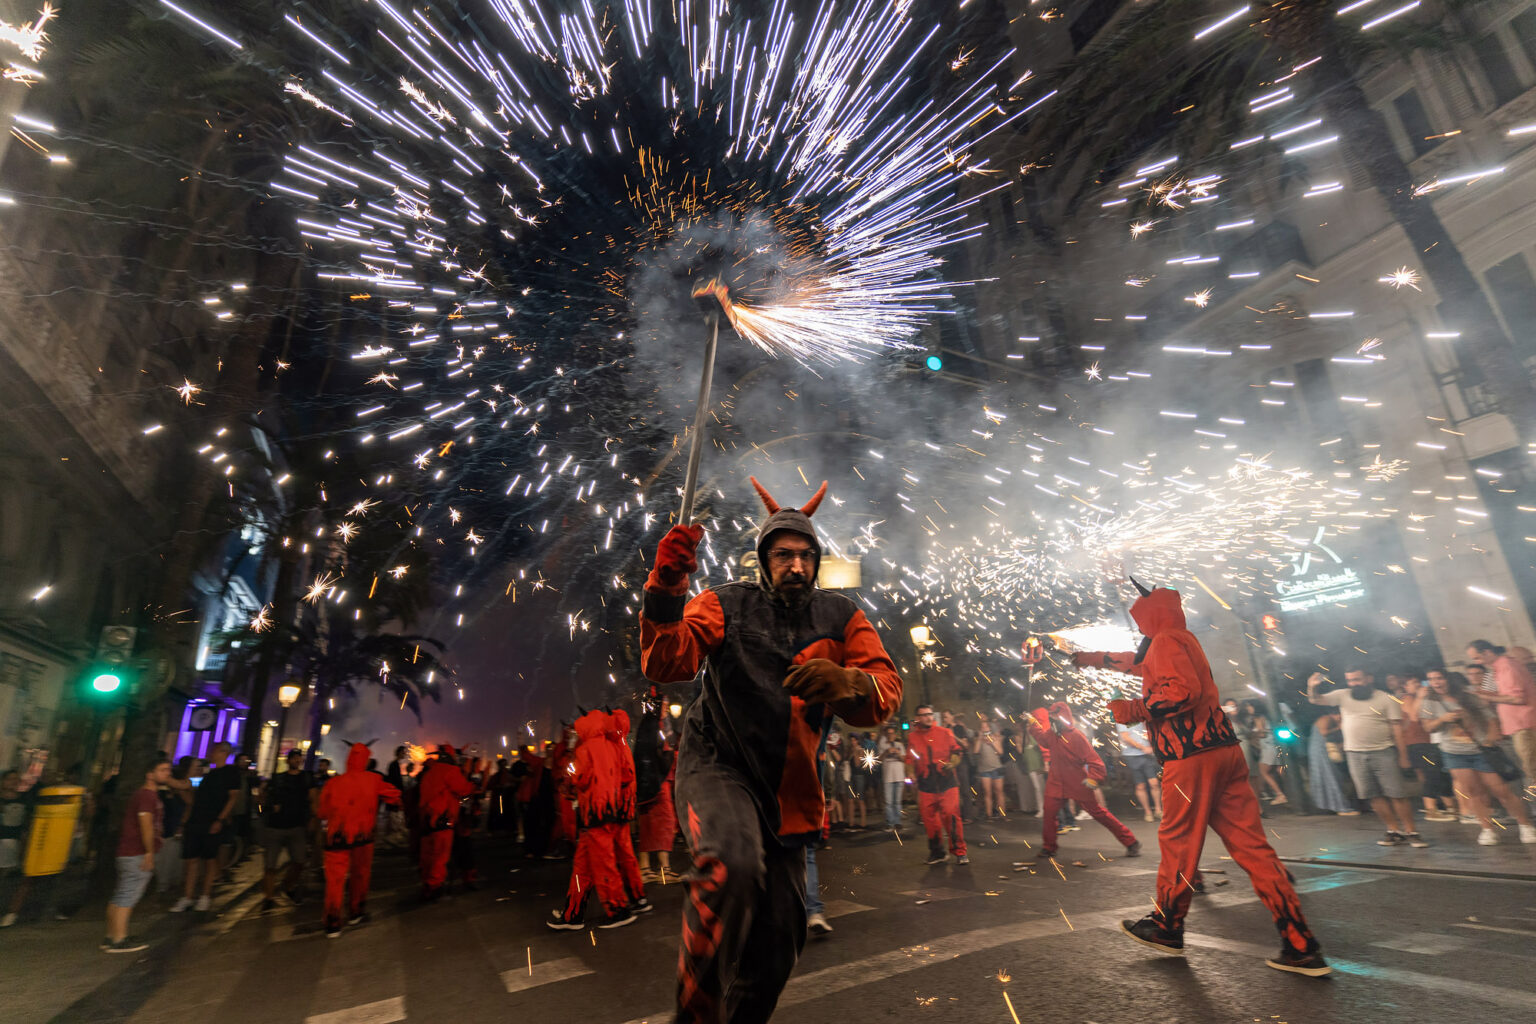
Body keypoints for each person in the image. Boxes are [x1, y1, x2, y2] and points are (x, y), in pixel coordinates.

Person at [639, 476, 902, 1024]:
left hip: (786, 793)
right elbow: (667, 663)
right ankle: (694, 1015)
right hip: (717, 766)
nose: (796, 566)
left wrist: (849, 683)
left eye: (806, 556)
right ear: (764, 559)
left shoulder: (841, 616)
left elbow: (885, 689)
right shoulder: (725, 603)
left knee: (781, 940)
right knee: (731, 862)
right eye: (783, 555)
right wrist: (666, 586)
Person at [1072, 581, 1330, 976]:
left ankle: (1166, 927)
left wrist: (1134, 709)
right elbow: (1137, 662)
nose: (1138, 627)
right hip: (1224, 753)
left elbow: (1181, 692)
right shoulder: (1180, 638)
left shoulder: (1165, 642)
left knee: (1178, 843)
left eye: (1140, 619)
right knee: (1253, 849)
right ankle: (1301, 945)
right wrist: (1088, 658)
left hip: (1191, 760)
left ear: (1149, 616)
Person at [548, 708, 647, 930]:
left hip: (594, 814)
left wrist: (569, 780)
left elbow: (577, 779)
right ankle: (572, 914)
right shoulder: (614, 745)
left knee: (602, 864)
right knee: (583, 866)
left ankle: (618, 910)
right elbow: (627, 775)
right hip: (609, 812)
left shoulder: (584, 749)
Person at [1419, 669, 1536, 846]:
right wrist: (1443, 718)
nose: (1436, 682)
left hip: (1481, 750)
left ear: (1448, 679)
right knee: (1473, 792)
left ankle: (1525, 825)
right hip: (1454, 753)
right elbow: (1428, 727)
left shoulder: (1468, 697)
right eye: (1431, 679)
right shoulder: (1429, 702)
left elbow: (1492, 719)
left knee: (1502, 790)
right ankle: (1487, 829)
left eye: (1439, 678)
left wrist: (1490, 739)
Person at [1307, 669, 1423, 847]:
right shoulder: (1343, 695)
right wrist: (1312, 686)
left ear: (1369, 678)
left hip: (1383, 751)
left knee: (1397, 794)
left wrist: (1403, 756)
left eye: (1357, 679)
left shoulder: (1385, 698)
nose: (1354, 683)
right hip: (1354, 754)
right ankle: (1393, 830)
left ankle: (1412, 831)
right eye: (1350, 680)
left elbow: (1397, 730)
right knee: (1372, 795)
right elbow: (1315, 699)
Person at [1024, 702, 1140, 859]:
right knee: (1049, 813)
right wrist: (1033, 724)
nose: (1051, 720)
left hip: (1076, 781)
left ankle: (1131, 842)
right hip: (1056, 781)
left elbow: (1095, 762)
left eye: (1053, 716)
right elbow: (1043, 740)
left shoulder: (1077, 736)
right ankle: (1049, 847)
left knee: (1098, 813)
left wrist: (1094, 779)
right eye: (1050, 717)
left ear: (1062, 717)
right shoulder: (1053, 733)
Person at [317, 743, 400, 937]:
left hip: (337, 838)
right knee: (360, 876)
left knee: (335, 882)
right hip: (363, 838)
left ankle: (332, 923)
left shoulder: (333, 782)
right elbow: (394, 795)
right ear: (366, 759)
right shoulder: (373, 779)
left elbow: (322, 812)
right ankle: (356, 912)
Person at [104, 757, 170, 953]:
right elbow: (146, 826)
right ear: (150, 774)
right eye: (163, 770)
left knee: (121, 894)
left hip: (129, 852)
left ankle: (111, 935)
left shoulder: (148, 796)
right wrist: (149, 852)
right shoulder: (146, 796)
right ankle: (119, 939)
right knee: (128, 895)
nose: (167, 773)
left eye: (168, 770)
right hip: (136, 852)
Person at [172, 742, 240, 913]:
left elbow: (232, 798)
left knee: (209, 859)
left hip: (212, 820)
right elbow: (195, 796)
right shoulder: (208, 772)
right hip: (196, 820)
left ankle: (205, 896)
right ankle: (187, 897)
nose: (210, 752)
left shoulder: (231, 772)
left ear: (222, 752)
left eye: (214, 750)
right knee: (191, 859)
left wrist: (220, 820)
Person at [1468, 639, 1536, 790]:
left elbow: (1517, 698)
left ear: (1487, 652)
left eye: (1477, 658)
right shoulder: (1500, 667)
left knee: (1532, 768)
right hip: (1519, 724)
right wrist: (1487, 693)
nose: (1477, 662)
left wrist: (1487, 697)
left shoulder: (1506, 665)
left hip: (1524, 724)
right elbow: (1508, 693)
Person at [906, 705, 969, 866]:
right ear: (918, 718)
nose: (928, 717)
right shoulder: (913, 737)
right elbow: (910, 759)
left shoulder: (944, 732)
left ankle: (960, 851)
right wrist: (911, 773)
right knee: (930, 821)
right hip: (926, 784)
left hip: (946, 782)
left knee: (951, 815)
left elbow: (957, 752)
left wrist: (952, 763)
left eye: (930, 714)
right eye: (924, 715)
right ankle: (937, 852)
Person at [415, 744, 475, 900]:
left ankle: (427, 886)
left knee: (428, 857)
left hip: (426, 820)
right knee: (440, 857)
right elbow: (463, 789)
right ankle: (435, 889)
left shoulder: (429, 773)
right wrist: (471, 785)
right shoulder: (450, 771)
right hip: (443, 820)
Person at [259, 749, 313, 910]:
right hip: (275, 826)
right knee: (270, 865)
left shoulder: (306, 778)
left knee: (299, 862)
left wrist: (312, 820)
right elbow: (261, 800)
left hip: (297, 826)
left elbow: (313, 798)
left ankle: (288, 886)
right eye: (294, 758)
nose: (297, 760)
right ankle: (268, 898)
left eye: (299, 758)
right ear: (288, 761)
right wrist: (266, 809)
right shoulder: (277, 779)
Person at [1400, 675, 1456, 821]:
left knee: (1441, 774)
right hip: (1417, 743)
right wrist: (1419, 697)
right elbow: (1413, 716)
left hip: (1430, 741)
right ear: (1406, 687)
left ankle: (1450, 808)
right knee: (1431, 775)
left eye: (1418, 681)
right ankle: (1431, 810)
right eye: (1413, 682)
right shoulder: (1407, 698)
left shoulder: (1428, 698)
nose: (1417, 684)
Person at [635, 706, 678, 883]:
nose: (667, 709)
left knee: (647, 827)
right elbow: (664, 753)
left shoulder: (646, 726)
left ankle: (645, 869)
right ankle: (664, 870)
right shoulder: (659, 728)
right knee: (665, 825)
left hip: (647, 785)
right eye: (665, 706)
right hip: (659, 785)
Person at [1, 769, 36, 928]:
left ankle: (11, 913)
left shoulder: (25, 802)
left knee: (16, 880)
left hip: (15, 844)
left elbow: (26, 825)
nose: (13, 782)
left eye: (16, 779)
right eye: (10, 779)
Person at [1306, 710, 1357, 816]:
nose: (1341, 718)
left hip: (1323, 750)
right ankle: (1339, 806)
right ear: (1335, 714)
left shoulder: (1329, 720)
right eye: (1340, 716)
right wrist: (1339, 727)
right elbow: (1324, 732)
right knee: (1330, 776)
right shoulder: (1326, 719)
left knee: (1329, 776)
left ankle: (1329, 805)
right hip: (1320, 751)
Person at [1117, 721, 1163, 821]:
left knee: (1154, 783)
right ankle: (1148, 812)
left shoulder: (1142, 715)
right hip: (1132, 756)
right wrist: (1143, 747)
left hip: (1148, 754)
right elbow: (1125, 737)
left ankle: (1158, 810)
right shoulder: (1122, 718)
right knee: (1140, 785)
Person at [942, 711, 975, 822]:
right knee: (950, 790)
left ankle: (968, 816)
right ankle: (953, 815)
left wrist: (952, 735)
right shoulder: (943, 729)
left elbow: (965, 744)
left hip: (961, 760)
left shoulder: (960, 728)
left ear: (952, 717)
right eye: (943, 717)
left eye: (946, 717)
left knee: (965, 789)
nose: (944, 719)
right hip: (948, 762)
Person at [972, 716, 1005, 818]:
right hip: (984, 769)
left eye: (986, 727)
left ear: (990, 728)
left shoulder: (995, 737)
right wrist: (980, 737)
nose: (984, 729)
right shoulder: (979, 740)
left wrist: (993, 742)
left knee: (999, 792)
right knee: (987, 793)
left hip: (996, 768)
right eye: (982, 728)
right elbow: (975, 751)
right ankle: (989, 815)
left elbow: (1000, 752)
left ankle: (1003, 815)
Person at [877, 725, 907, 831]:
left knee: (897, 801)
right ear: (886, 734)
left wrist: (898, 754)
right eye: (888, 733)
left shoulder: (900, 745)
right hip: (888, 778)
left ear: (895, 734)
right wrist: (886, 752)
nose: (890, 735)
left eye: (892, 733)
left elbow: (904, 759)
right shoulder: (882, 745)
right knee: (889, 802)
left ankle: (897, 822)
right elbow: (879, 759)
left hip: (899, 777)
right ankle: (890, 823)